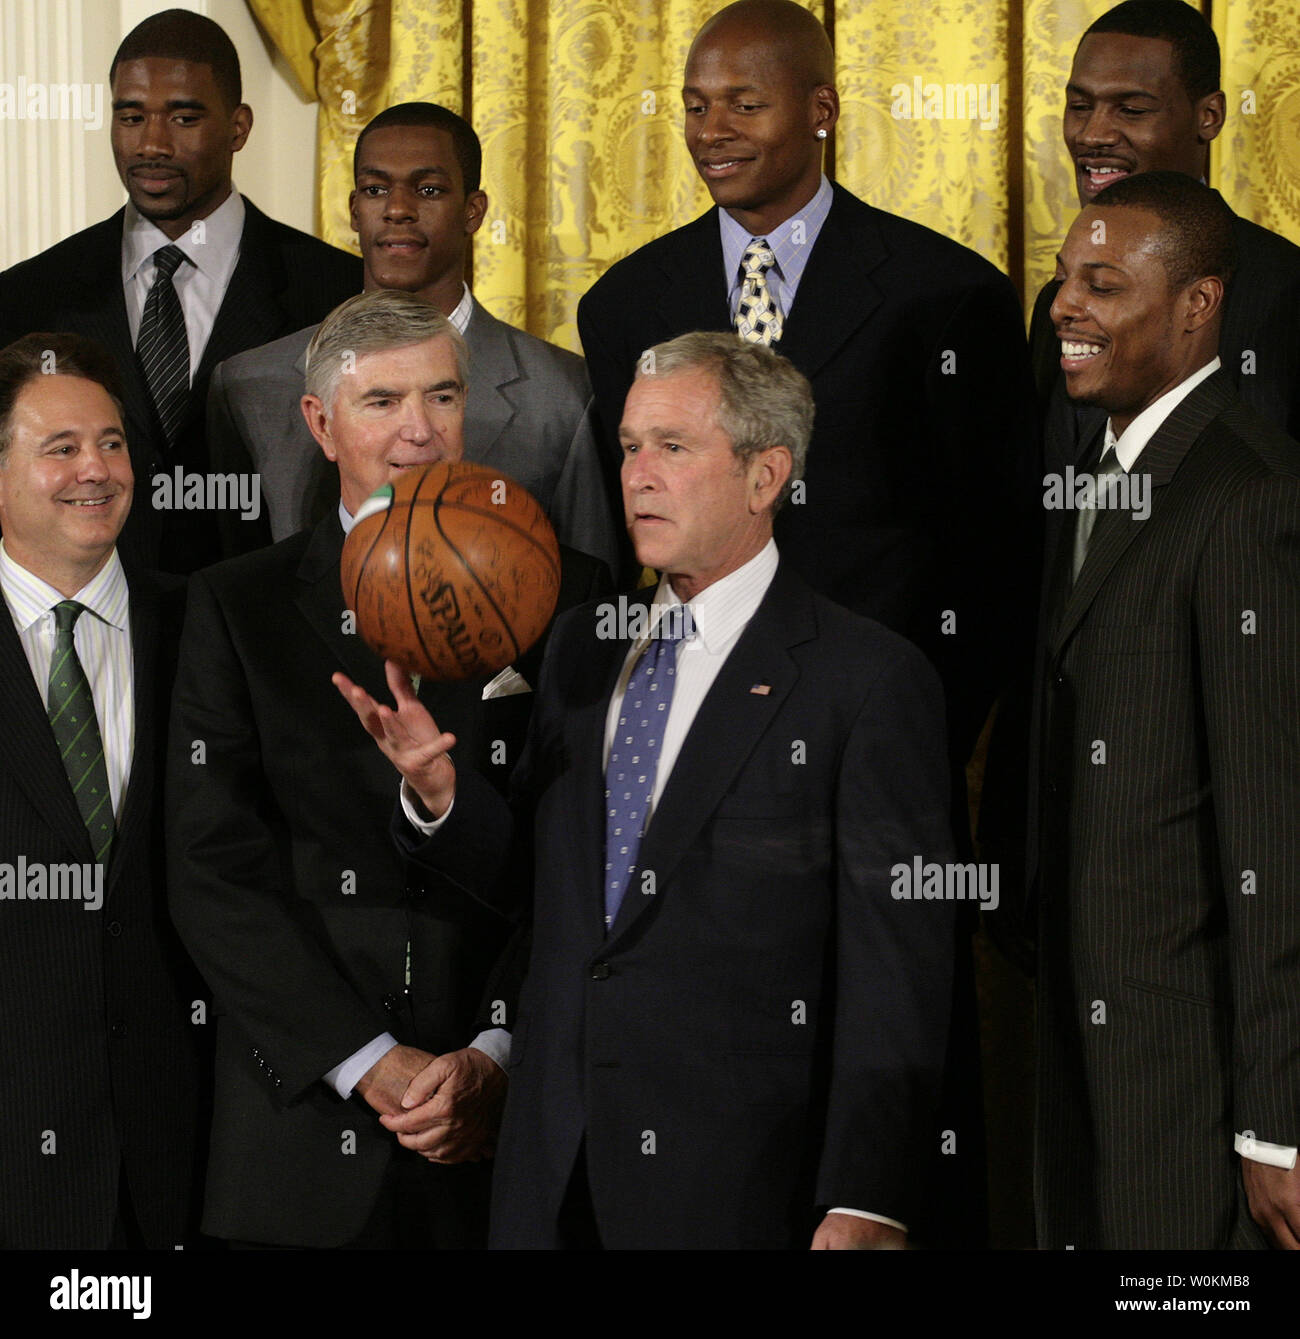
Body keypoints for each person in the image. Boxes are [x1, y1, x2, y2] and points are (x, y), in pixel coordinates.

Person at [340, 332, 959, 1249]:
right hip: (551, 1176)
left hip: (745, 1187)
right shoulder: (582, 644)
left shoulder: (864, 680)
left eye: (675, 447)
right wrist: (440, 791)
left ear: (766, 474)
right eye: (630, 447)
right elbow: (541, 895)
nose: (639, 474)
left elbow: (897, 973)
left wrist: (866, 1194)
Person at [166, 290, 609, 1248]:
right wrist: (371, 1062)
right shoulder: (235, 605)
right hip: (299, 1143)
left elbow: (582, 860)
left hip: (503, 1133)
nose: (421, 431)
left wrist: (495, 1053)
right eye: (384, 404)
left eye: (443, 398)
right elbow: (213, 870)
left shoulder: (572, 592)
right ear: (320, 423)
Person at [1037, 171, 1300, 1250]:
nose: (1064, 305)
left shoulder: (1250, 499)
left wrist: (1276, 1124)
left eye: (1101, 282)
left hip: (1191, 1095)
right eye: (1061, 279)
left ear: (1197, 306)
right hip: (1082, 1062)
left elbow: (1275, 828)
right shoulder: (1095, 471)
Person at [0, 9, 361, 574]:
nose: (152, 144)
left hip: (271, 630)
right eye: (131, 117)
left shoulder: (339, 291)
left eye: (184, 118)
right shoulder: (26, 296)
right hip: (86, 636)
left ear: (239, 127)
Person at [207, 102, 620, 577]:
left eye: (428, 190)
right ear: (354, 209)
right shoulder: (248, 385)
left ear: (473, 211)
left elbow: (588, 599)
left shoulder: (566, 396)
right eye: (376, 189)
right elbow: (232, 592)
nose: (398, 209)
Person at [0, 333, 201, 1248]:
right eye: (62, 448)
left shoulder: (209, 626)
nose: (97, 469)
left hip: (189, 1159)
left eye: (113, 443)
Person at [1028, 0, 1300, 443]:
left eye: (1131, 111)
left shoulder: (1287, 292)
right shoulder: (1057, 305)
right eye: (1079, 106)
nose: (1092, 134)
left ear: (1209, 116)